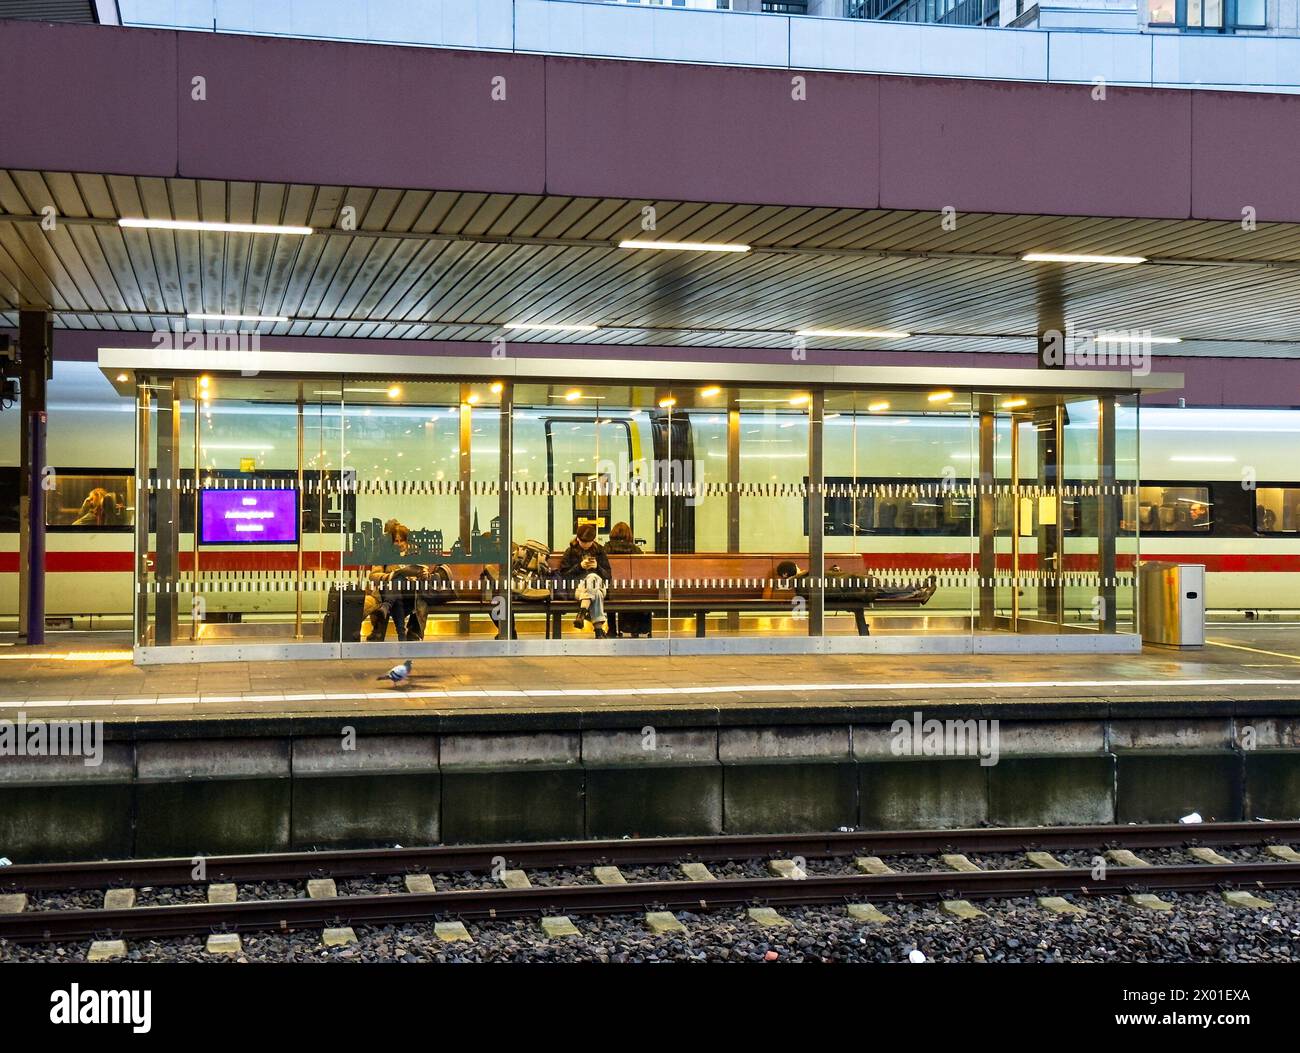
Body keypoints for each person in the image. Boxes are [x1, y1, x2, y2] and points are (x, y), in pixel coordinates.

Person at [367, 519, 428, 641]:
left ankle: (386, 606)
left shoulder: (415, 552)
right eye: (396, 541)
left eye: (402, 540)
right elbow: (373, 576)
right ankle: (401, 634)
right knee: (397, 584)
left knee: (399, 582)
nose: (399, 544)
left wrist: (422, 574)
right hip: (391, 591)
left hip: (410, 593)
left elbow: (423, 569)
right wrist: (390, 576)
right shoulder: (384, 554)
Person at [558, 523, 612, 638]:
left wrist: (597, 567)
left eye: (589, 542)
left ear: (594, 540)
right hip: (579, 590)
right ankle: (598, 630)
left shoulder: (600, 551)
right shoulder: (570, 552)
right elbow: (563, 576)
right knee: (595, 592)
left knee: (593, 577)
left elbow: (608, 577)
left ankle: (582, 612)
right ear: (577, 539)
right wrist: (580, 567)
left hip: (598, 587)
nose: (586, 545)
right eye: (583, 542)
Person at [604, 521, 650, 638]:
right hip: (631, 588)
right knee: (634, 591)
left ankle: (612, 629)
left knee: (611, 591)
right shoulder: (635, 550)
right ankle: (635, 629)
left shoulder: (606, 549)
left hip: (612, 589)